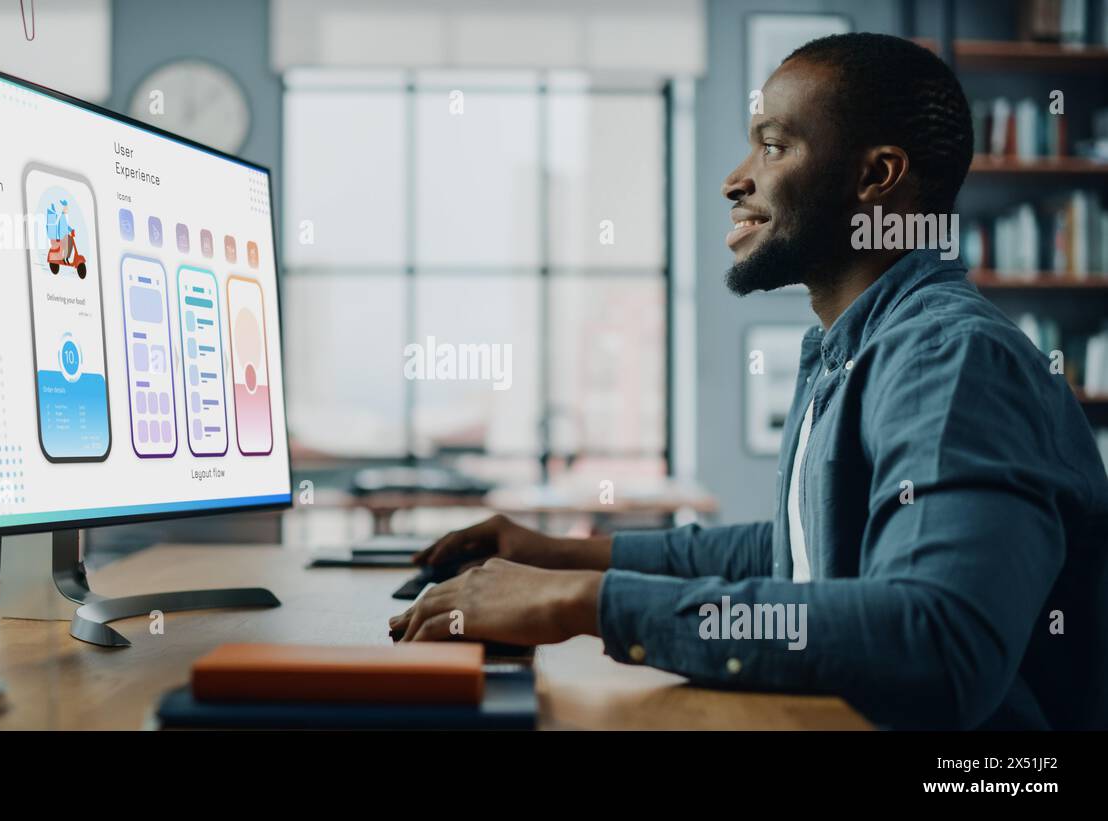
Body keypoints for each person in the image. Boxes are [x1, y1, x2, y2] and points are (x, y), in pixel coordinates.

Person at [389, 33, 1108, 730]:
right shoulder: (856, 346)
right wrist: (551, 554)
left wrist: (582, 602)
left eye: (773, 145)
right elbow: (795, 548)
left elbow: (936, 641)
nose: (737, 179)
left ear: (876, 176)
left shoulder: (949, 359)